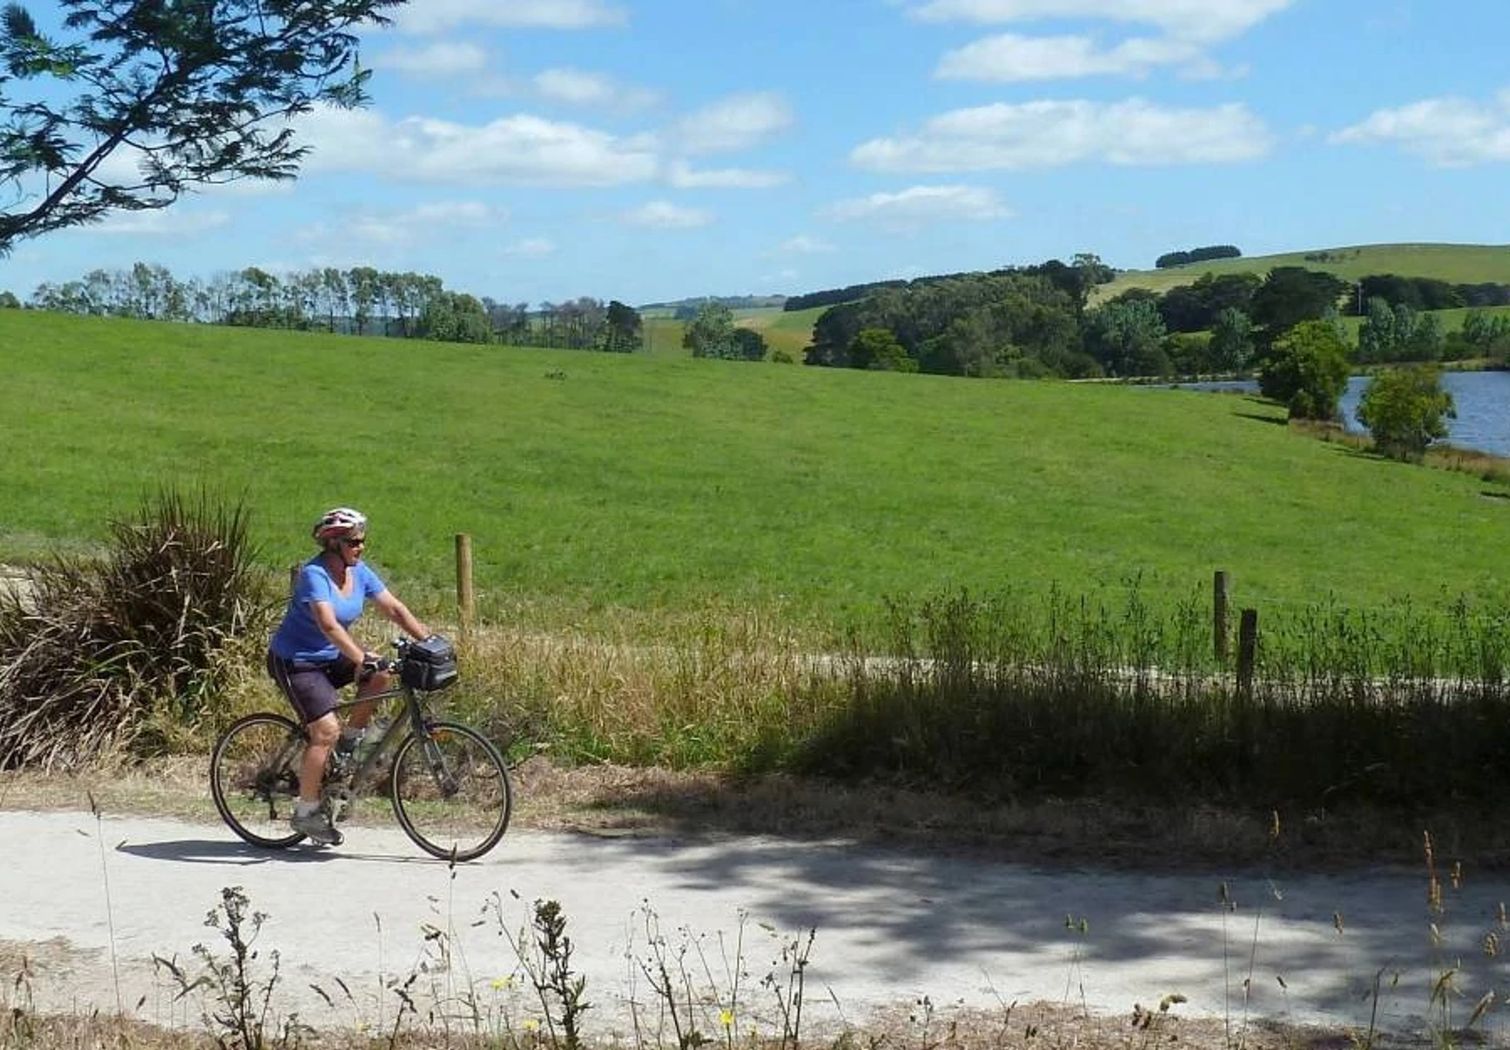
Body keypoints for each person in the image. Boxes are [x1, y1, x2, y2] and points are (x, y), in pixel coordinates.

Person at [266, 506, 431, 845]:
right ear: (334, 544)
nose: (361, 547)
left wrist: (429, 640)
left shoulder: (360, 572)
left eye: (362, 541)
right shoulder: (315, 575)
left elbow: (394, 608)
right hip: (297, 662)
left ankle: (349, 744)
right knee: (324, 731)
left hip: (331, 656)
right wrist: (359, 657)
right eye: (354, 542)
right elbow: (327, 625)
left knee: (381, 673)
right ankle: (306, 812)